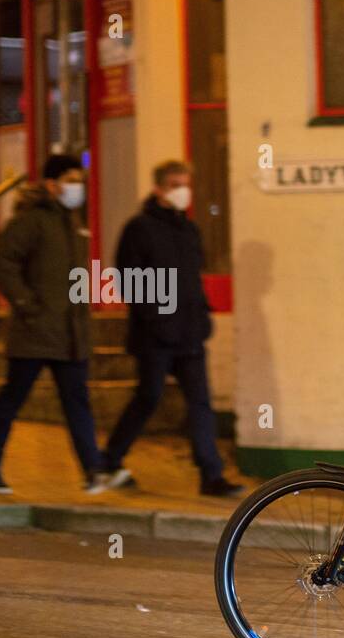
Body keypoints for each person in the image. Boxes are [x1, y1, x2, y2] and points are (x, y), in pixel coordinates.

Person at [100, 160, 242, 498]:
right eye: (176, 184)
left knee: (200, 403)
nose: (183, 191)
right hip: (156, 335)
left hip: (190, 332)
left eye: (186, 184)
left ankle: (211, 475)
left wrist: (201, 315)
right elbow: (128, 280)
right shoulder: (139, 228)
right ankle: (109, 459)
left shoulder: (188, 229)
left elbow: (192, 278)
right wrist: (156, 317)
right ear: (159, 188)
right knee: (148, 397)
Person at [0, 153, 106, 495]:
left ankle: (92, 469)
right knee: (13, 399)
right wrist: (27, 305)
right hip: (34, 331)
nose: (77, 187)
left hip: (71, 333)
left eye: (79, 180)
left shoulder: (74, 221)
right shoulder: (30, 221)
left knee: (77, 401)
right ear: (52, 184)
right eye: (71, 180)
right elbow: (4, 265)